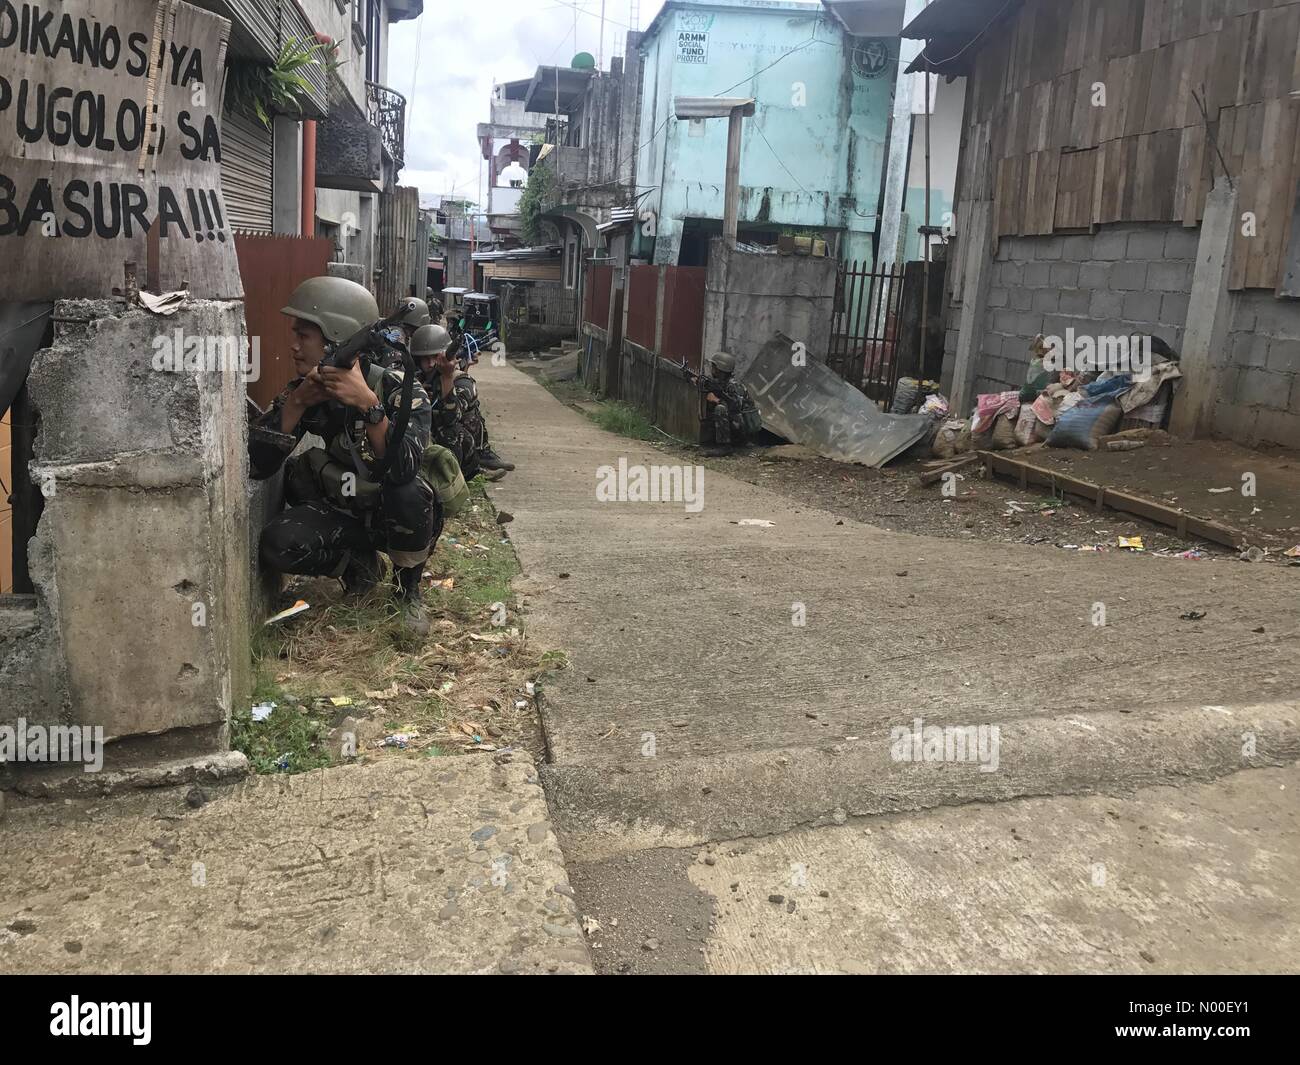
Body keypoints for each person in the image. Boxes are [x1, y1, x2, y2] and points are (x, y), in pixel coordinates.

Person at [253, 276, 439, 637]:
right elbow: (259, 466)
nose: (292, 346)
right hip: (347, 510)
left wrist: (370, 406)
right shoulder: (307, 390)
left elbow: (404, 471)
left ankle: (407, 592)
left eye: (303, 335)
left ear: (335, 336)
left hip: (398, 516)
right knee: (278, 544)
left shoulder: (401, 390)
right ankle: (357, 564)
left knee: (411, 492)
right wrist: (296, 404)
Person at [411, 324, 516, 476]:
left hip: (460, 447)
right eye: (424, 359)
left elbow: (450, 418)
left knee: (449, 430)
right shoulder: (418, 379)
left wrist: (446, 377)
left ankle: (473, 468)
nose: (431, 364)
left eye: (435, 357)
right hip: (426, 443)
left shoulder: (462, 382)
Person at [695, 351, 761, 454]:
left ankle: (724, 447)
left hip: (743, 426)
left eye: (714, 367)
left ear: (720, 369)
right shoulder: (723, 383)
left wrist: (716, 400)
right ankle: (715, 441)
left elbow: (736, 407)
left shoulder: (734, 385)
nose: (712, 369)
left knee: (720, 409)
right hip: (738, 423)